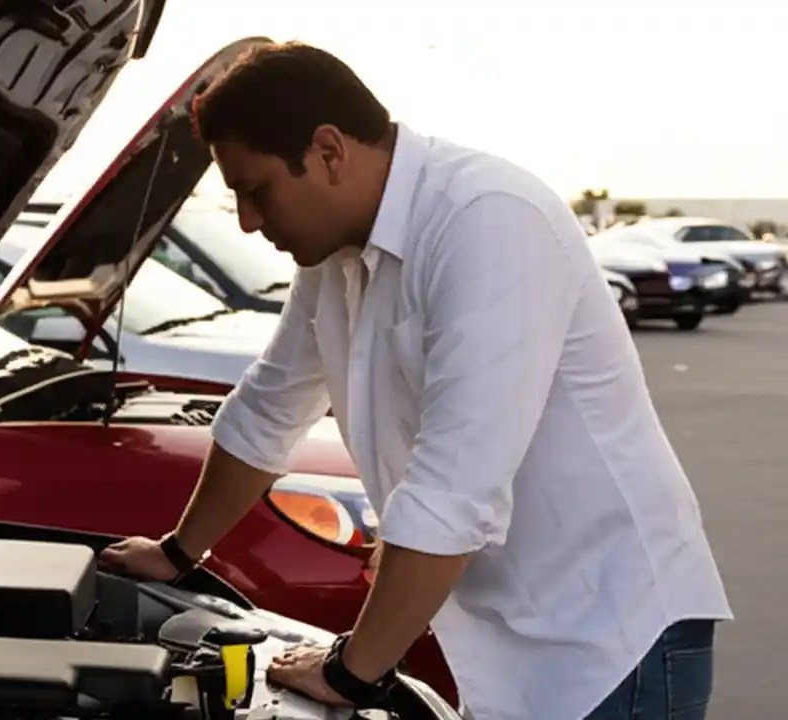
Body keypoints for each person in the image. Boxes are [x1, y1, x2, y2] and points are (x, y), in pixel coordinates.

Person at [98, 42, 731, 720]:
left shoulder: (488, 220)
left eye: (257, 191)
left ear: (329, 151)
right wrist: (178, 552)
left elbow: (454, 483)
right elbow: (269, 406)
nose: (249, 221)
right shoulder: (336, 257)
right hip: (515, 634)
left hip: (609, 641)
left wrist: (349, 672)